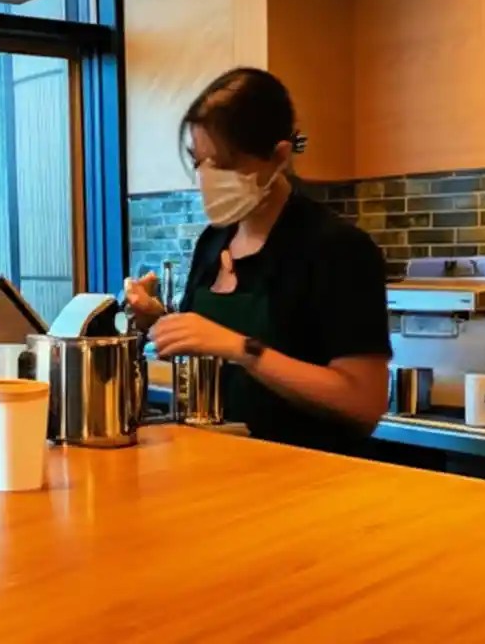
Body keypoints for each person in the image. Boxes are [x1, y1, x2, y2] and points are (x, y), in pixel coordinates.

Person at [127, 67, 391, 453]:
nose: (206, 177)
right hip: (214, 466)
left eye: (223, 163)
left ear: (279, 156)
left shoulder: (337, 248)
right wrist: (161, 323)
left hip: (308, 480)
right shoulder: (213, 241)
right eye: (198, 161)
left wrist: (243, 349)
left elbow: (363, 404)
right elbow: (206, 351)